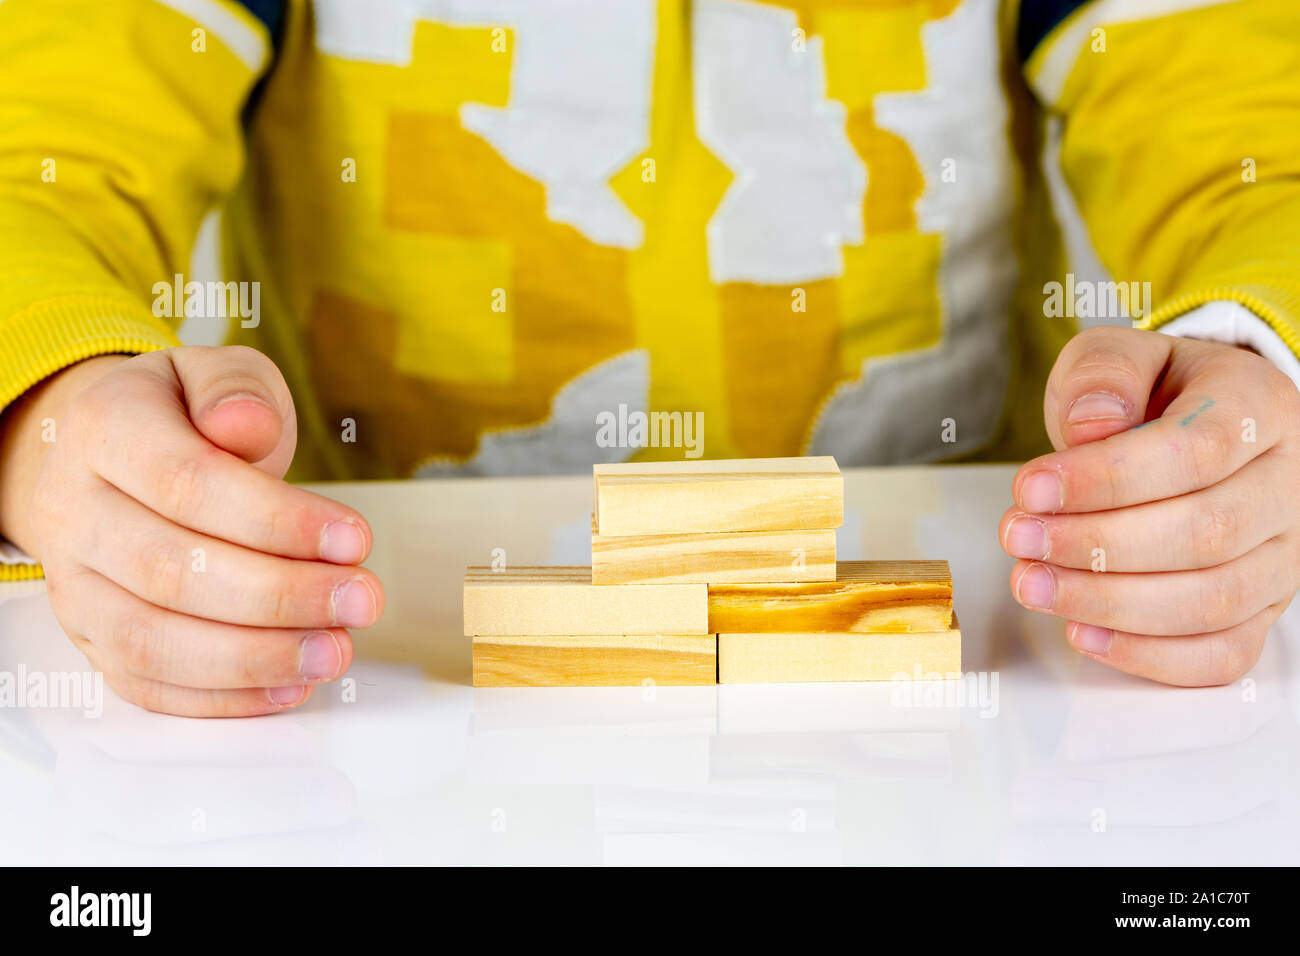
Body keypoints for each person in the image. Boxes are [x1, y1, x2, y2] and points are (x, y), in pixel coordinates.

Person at [1, 0, 1297, 715]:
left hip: (970, 640)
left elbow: (1249, 144)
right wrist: (50, 412)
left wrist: (1259, 363)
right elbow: (41, 169)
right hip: (395, 640)